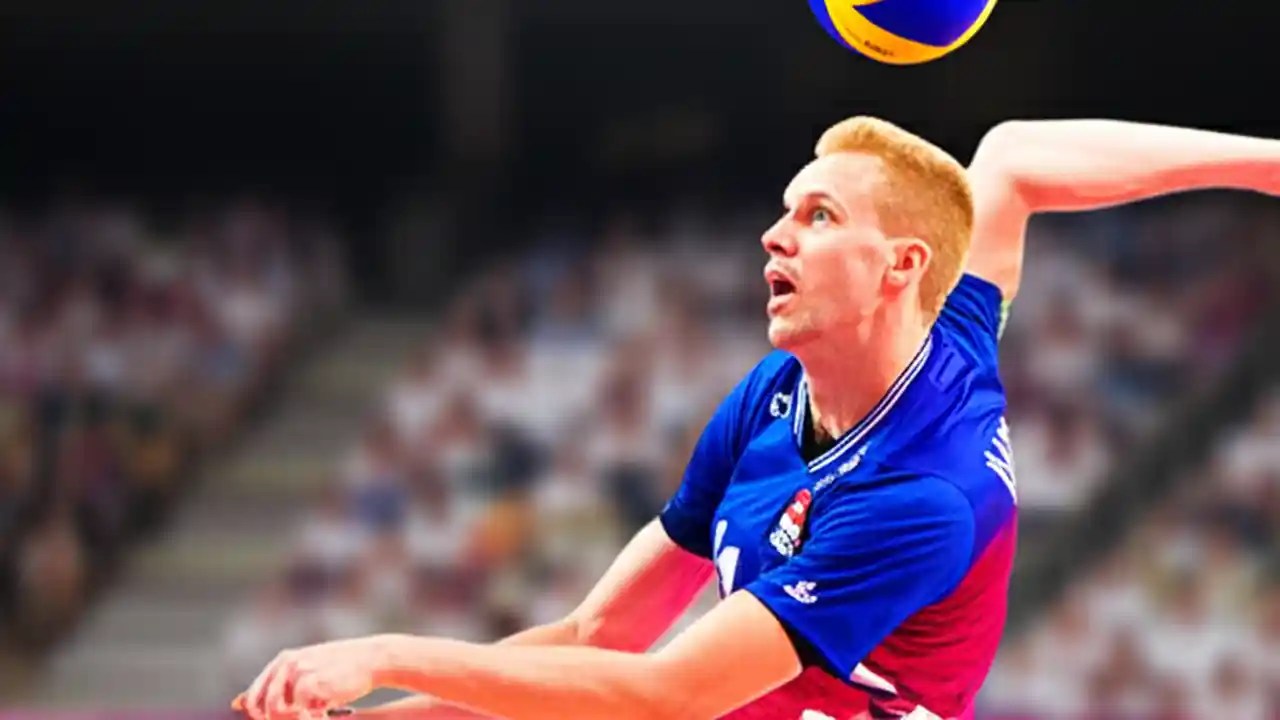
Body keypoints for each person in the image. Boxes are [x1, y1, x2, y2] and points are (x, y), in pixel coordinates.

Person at [234, 117, 1280, 720]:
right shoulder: (785, 392)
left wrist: (385, 654)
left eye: (818, 215)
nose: (774, 235)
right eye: (783, 210)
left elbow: (666, 696)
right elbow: (600, 636)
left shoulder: (922, 497)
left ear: (898, 266)